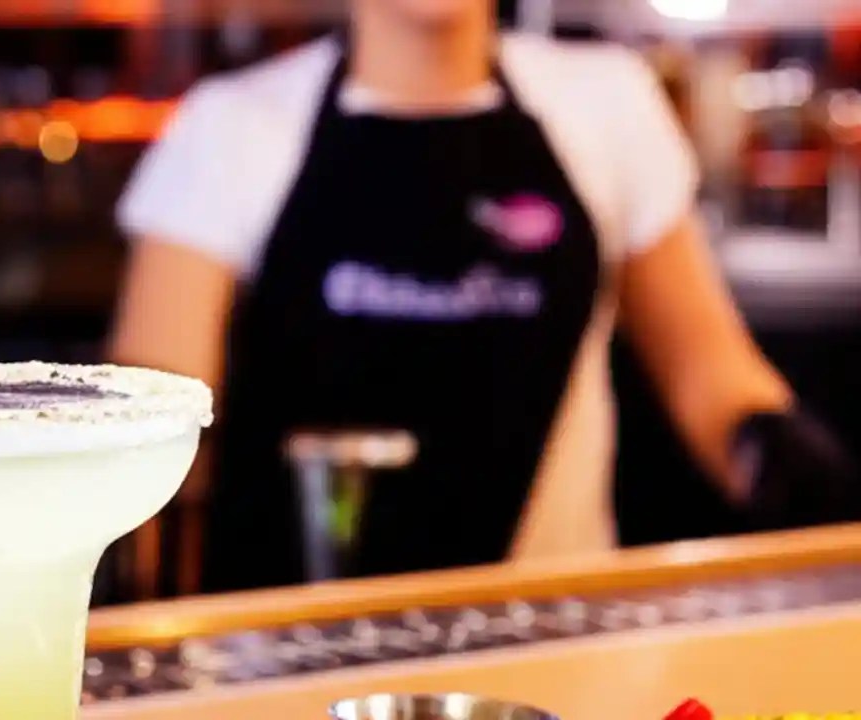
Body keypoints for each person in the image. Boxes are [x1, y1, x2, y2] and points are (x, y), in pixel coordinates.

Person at [109, 0, 860, 592]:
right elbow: (154, 416)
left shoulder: (607, 104)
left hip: (546, 641)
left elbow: (710, 372)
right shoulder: (232, 128)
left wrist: (791, 470)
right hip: (286, 655)